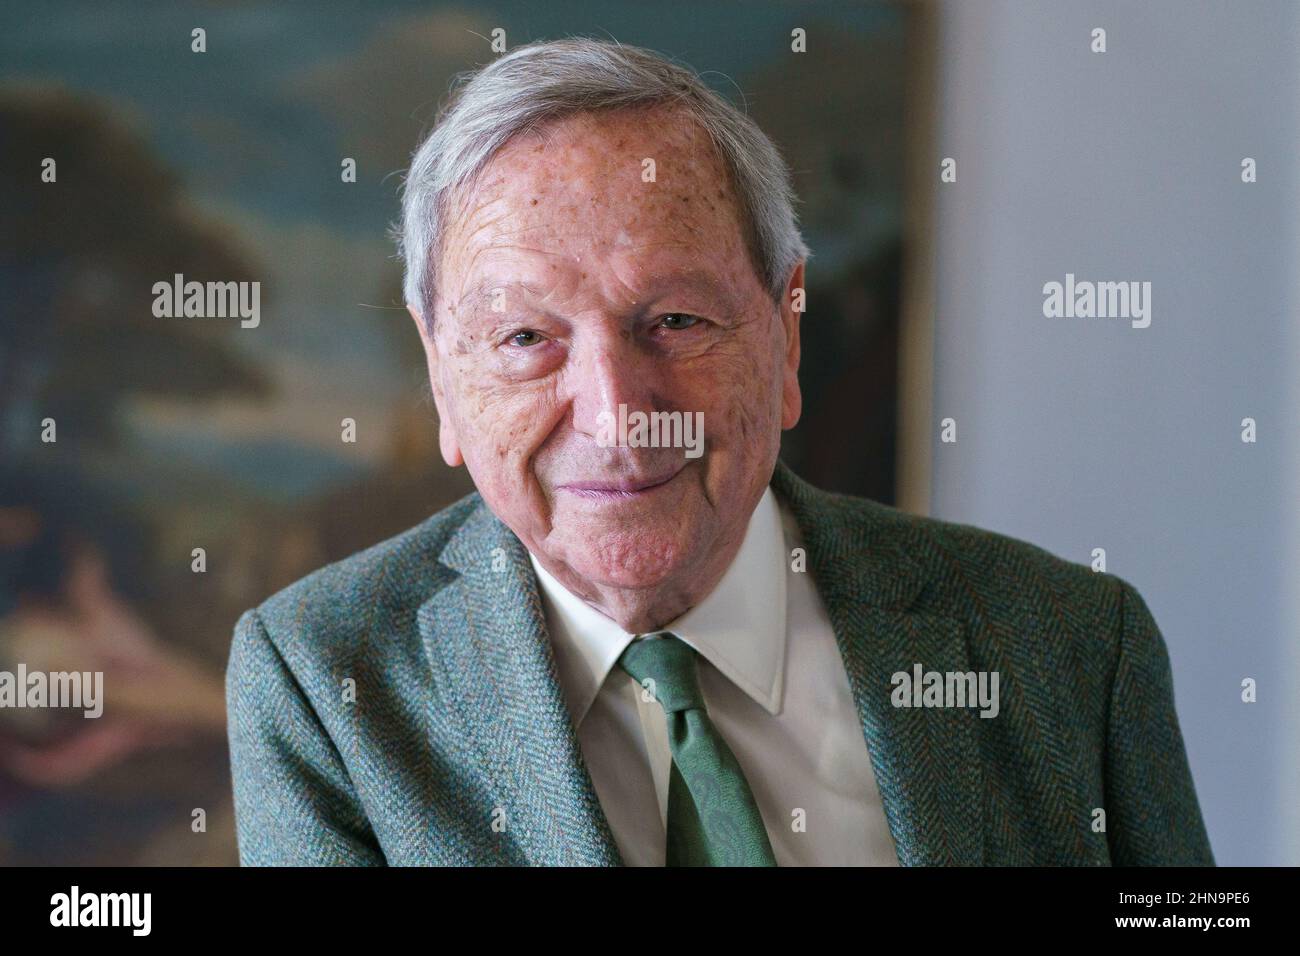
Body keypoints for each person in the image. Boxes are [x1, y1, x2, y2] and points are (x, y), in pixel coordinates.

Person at [226, 38, 1213, 866]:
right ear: (441, 371)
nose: (615, 415)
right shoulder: (322, 679)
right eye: (526, 338)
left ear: (784, 334)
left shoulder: (1071, 644)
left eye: (676, 318)